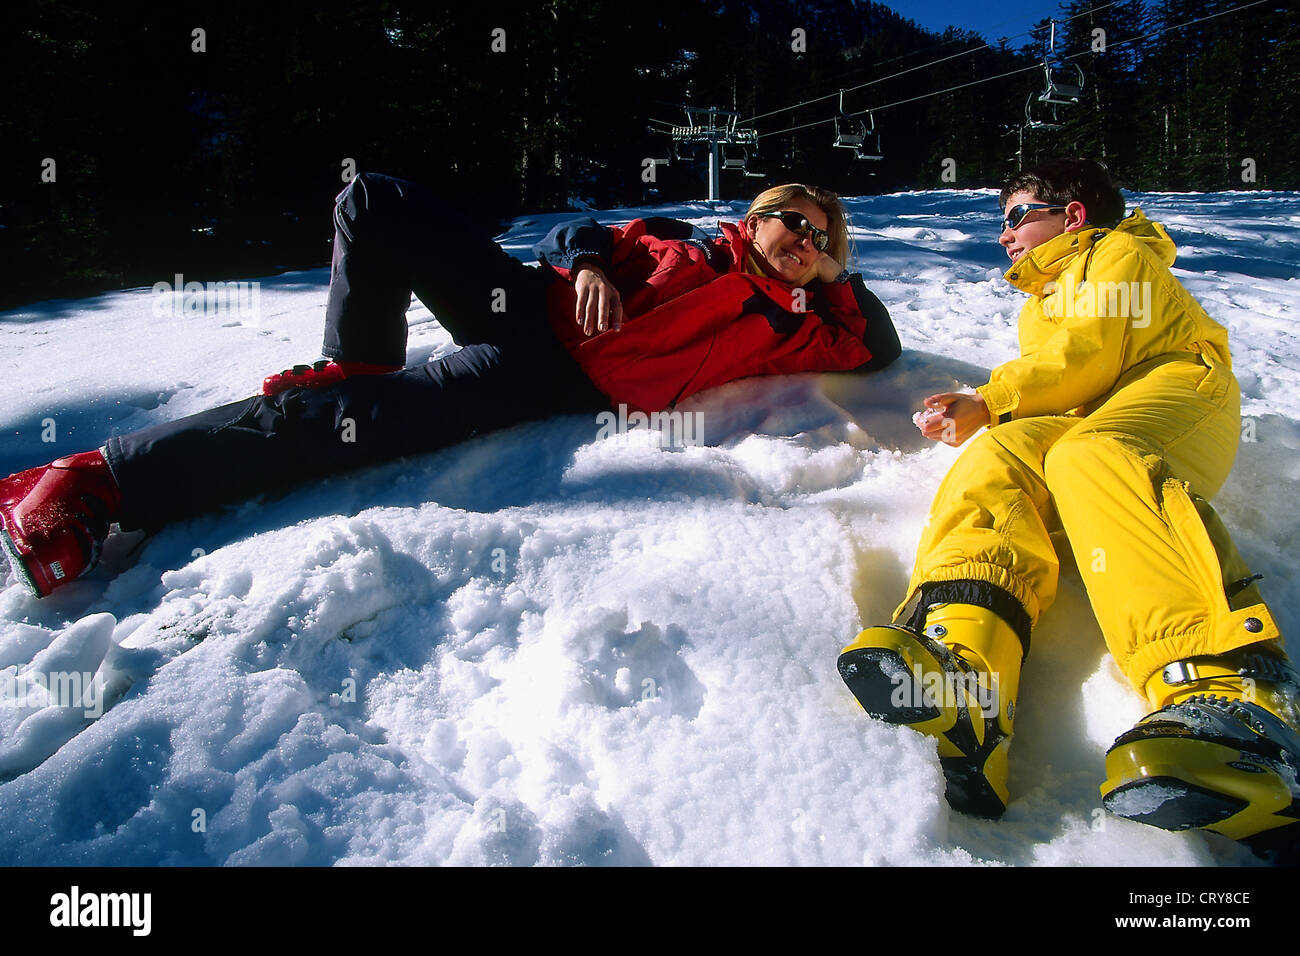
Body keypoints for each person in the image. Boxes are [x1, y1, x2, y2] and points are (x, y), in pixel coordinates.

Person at [0, 172, 900, 598]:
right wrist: (587, 264)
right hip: (531, 301)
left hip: (548, 376)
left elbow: (877, 346)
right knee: (374, 200)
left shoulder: (800, 322)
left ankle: (101, 482)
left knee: (352, 424)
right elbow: (582, 232)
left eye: (820, 237)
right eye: (790, 218)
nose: (801, 238)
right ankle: (358, 356)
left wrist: (831, 276)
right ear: (757, 212)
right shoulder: (687, 234)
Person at [836, 158, 1299, 861]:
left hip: (1176, 393)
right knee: (1000, 457)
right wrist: (996, 419)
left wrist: (992, 398)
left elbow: (1090, 352)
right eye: (1002, 223)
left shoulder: (1122, 250)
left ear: (1073, 215)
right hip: (1093, 420)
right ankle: (969, 670)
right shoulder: (1039, 303)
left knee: (1091, 455)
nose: (1005, 236)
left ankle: (1236, 700)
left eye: (1018, 216)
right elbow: (1064, 387)